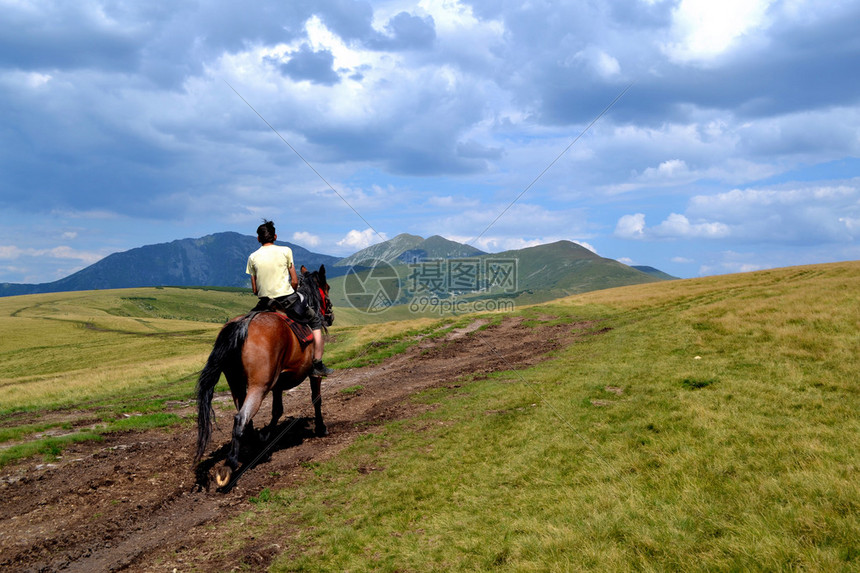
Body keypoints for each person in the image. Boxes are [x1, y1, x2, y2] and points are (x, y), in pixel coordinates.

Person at [246, 220, 333, 376]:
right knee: (315, 321)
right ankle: (318, 365)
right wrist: (290, 291)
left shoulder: (252, 257)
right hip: (287, 299)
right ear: (275, 236)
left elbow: (254, 289)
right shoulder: (286, 250)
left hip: (265, 302)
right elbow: (294, 280)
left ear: (258, 239)